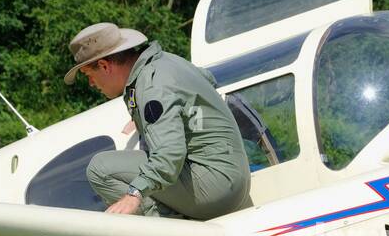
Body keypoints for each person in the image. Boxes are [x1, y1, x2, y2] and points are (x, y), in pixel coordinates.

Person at [64, 22, 252, 219]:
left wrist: (134, 194)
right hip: (235, 177)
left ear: (104, 66)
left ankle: (170, 229)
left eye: (89, 75)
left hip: (216, 189)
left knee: (100, 169)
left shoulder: (152, 86)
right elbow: (208, 80)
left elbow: (170, 154)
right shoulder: (166, 61)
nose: (91, 84)